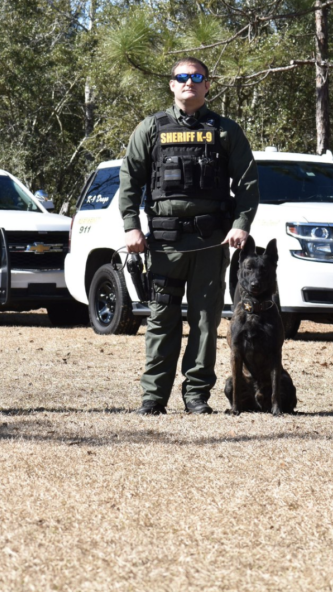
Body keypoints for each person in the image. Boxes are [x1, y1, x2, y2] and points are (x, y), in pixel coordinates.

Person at [117, 57, 259, 415]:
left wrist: (241, 224)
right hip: (165, 243)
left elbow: (247, 183)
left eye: (197, 77)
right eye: (182, 77)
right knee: (161, 319)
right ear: (171, 84)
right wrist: (131, 226)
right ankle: (153, 398)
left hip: (211, 243)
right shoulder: (150, 129)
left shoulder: (226, 131)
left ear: (208, 85)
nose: (189, 83)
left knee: (205, 322)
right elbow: (129, 180)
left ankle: (196, 396)